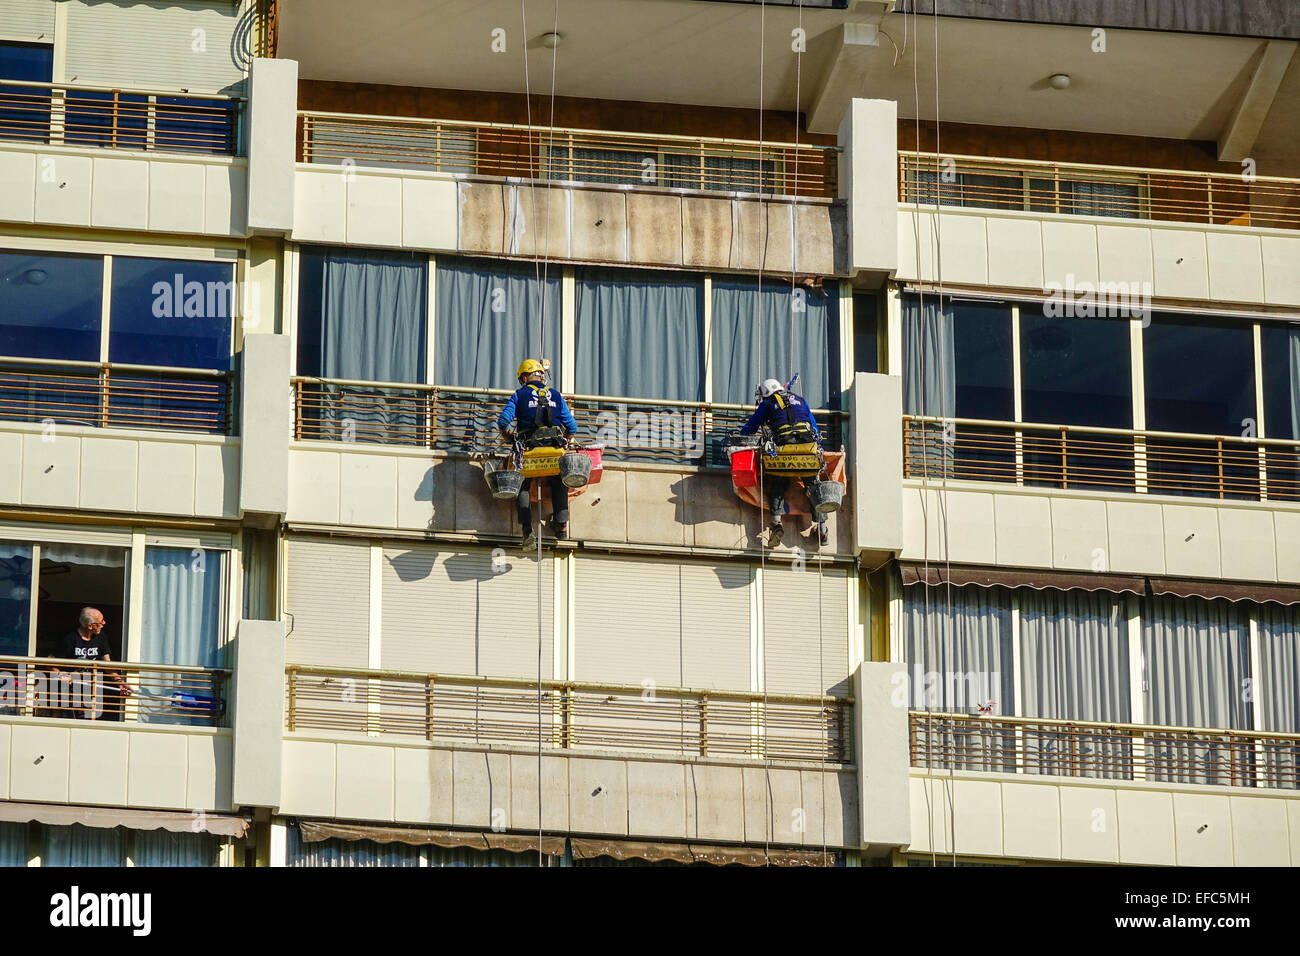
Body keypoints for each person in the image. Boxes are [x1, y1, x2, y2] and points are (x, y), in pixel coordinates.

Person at [738, 378, 829, 548]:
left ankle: (777, 523)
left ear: (765, 393)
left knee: (777, 484)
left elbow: (751, 427)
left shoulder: (768, 404)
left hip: (783, 451)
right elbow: (814, 427)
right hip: (808, 449)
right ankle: (822, 529)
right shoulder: (801, 400)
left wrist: (739, 438)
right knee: (813, 486)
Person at [498, 358, 579, 549]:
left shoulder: (519, 394)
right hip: (554, 451)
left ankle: (527, 532)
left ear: (525, 378)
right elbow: (572, 426)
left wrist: (508, 437)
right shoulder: (556, 395)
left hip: (529, 453)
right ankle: (561, 525)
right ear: (541, 377)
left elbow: (503, 422)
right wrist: (566, 439)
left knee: (522, 486)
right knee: (559, 481)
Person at [47, 607, 132, 720]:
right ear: (90, 626)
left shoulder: (101, 636)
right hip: (69, 691)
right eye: (101, 622)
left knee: (88, 721)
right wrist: (60, 674)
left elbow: (107, 665)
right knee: (68, 722)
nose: (104, 623)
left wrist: (119, 682)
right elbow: (49, 661)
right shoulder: (70, 638)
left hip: (90, 690)